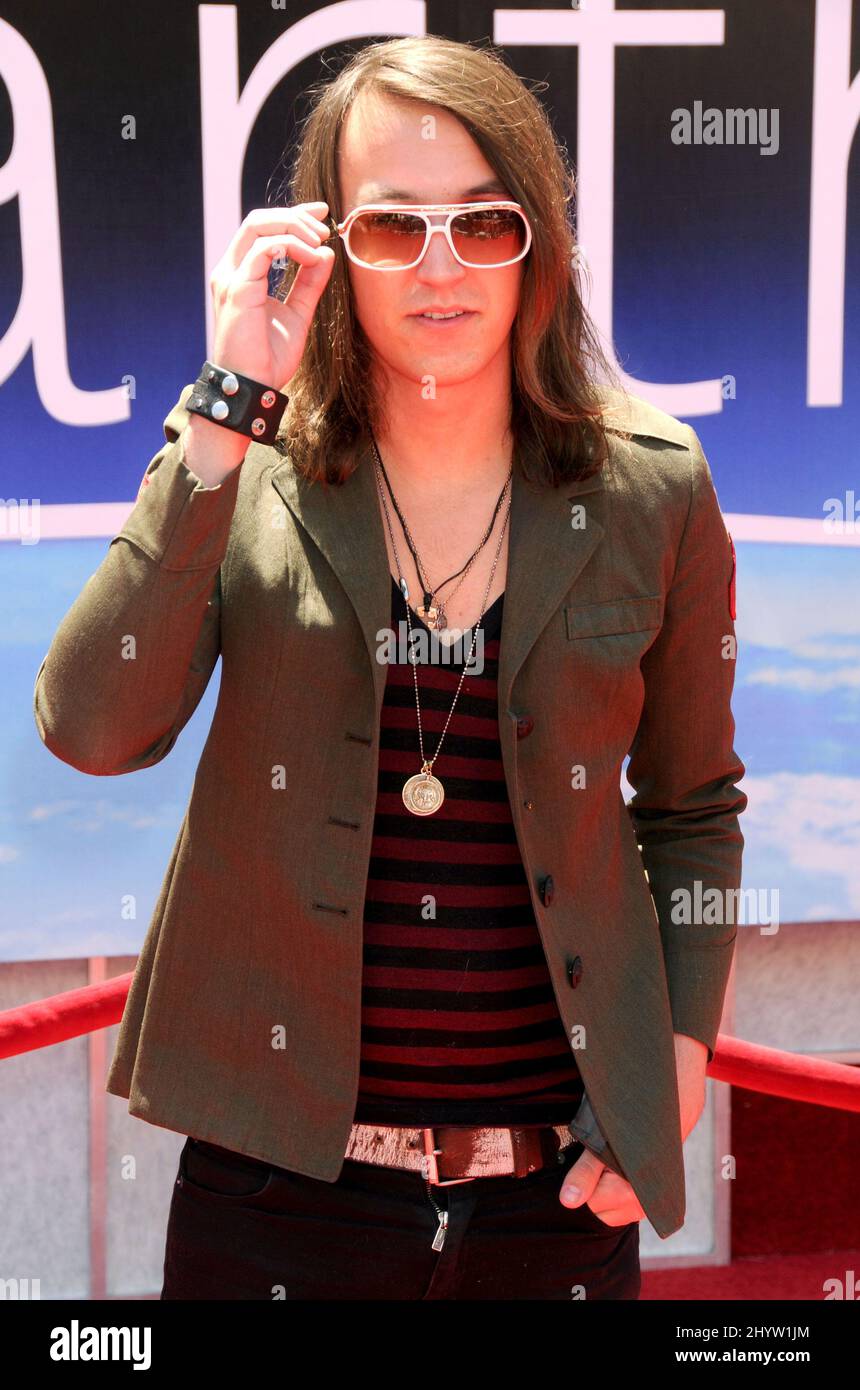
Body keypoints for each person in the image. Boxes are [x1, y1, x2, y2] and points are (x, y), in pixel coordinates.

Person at [33, 35, 746, 1300]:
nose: (437, 265)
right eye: (390, 226)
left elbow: (690, 808)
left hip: (554, 1200)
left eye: (481, 222)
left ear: (536, 242)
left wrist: (678, 1057)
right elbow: (91, 726)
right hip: (271, 1193)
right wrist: (221, 409)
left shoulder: (654, 489)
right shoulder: (237, 461)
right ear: (326, 248)